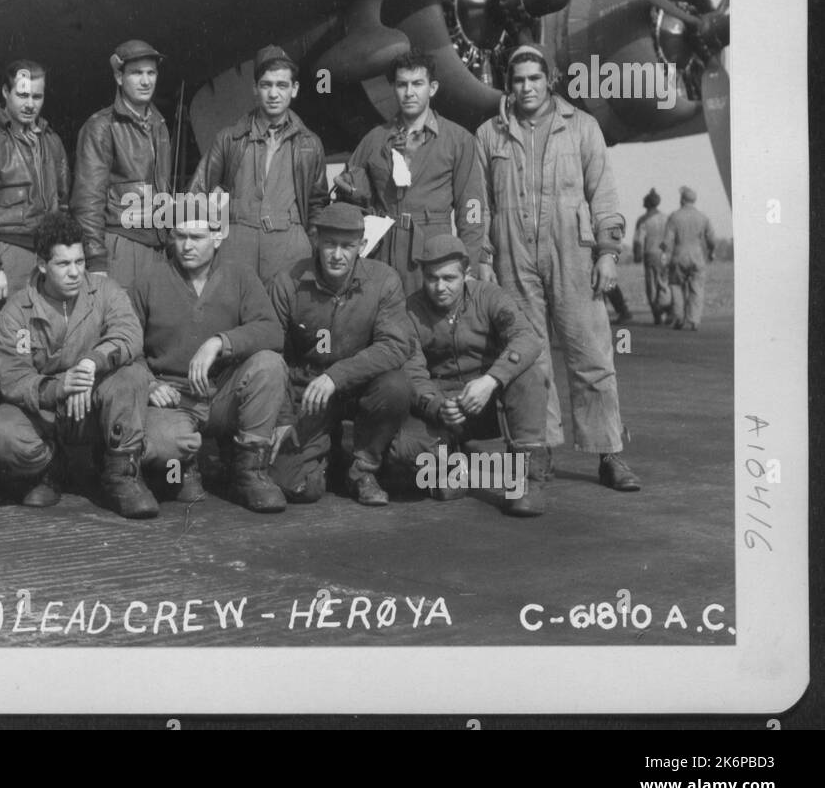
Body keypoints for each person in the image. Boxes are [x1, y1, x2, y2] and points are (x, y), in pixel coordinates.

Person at [473, 44, 641, 493]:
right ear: (508, 85)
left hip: (574, 253)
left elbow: (603, 193)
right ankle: (536, 449)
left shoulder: (583, 127)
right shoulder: (489, 134)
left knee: (592, 354)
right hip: (512, 255)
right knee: (529, 356)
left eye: (534, 78)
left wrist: (608, 252)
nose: (526, 87)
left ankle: (610, 454)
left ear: (550, 80)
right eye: (518, 80)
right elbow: (480, 207)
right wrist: (484, 260)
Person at [0, 212, 158, 519]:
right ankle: (50, 468)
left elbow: (129, 335)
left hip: (95, 406)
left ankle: (122, 473)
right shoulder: (17, 312)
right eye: (63, 264)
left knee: (131, 375)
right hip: (47, 413)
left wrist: (91, 365)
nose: (75, 272)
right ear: (42, 264)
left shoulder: (106, 292)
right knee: (0, 433)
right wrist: (61, 386)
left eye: (80, 262)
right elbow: (14, 377)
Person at [130, 217, 288, 512]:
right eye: (179, 236)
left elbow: (271, 330)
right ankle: (184, 466)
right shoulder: (148, 280)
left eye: (197, 237)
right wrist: (150, 382)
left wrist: (220, 342)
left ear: (217, 238)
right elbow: (127, 345)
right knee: (164, 447)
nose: (187, 246)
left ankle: (250, 471)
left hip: (223, 392)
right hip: (173, 397)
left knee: (269, 364)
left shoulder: (239, 275)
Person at [267, 202, 417, 507]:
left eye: (347, 246)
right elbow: (272, 352)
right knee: (297, 487)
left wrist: (337, 376)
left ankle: (363, 469)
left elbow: (395, 345)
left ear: (361, 245)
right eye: (329, 245)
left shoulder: (384, 280)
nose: (337, 255)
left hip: (359, 387)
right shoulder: (287, 282)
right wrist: (283, 416)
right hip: (307, 392)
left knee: (397, 387)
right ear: (316, 242)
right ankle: (328, 454)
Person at [395, 236, 550, 516]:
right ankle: (452, 463)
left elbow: (527, 339)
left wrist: (491, 381)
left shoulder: (490, 296)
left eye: (449, 278)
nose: (439, 287)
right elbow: (413, 370)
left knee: (529, 375)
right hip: (444, 408)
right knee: (402, 450)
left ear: (466, 273)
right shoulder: (409, 312)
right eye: (431, 278)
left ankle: (527, 481)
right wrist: (435, 405)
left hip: (489, 402)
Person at [335, 49, 484, 294]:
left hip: (434, 251)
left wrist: (468, 264)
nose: (410, 92)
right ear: (394, 88)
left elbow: (473, 208)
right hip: (382, 252)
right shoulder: (374, 140)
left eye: (418, 84)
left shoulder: (458, 141)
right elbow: (347, 198)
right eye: (402, 85)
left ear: (432, 88)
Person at [188, 44, 328, 282]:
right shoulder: (229, 139)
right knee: (231, 315)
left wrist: (315, 251)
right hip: (235, 246)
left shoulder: (310, 145)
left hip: (290, 251)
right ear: (255, 88)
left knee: (286, 316)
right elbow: (196, 197)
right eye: (266, 85)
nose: (273, 94)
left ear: (294, 89)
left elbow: (317, 206)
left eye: (282, 85)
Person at [0, 58, 70, 347]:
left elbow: (64, 202)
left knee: (40, 344)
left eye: (37, 96)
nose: (30, 103)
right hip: (6, 255)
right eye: (22, 95)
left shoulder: (51, 141)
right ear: (6, 93)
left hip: (45, 257)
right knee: (1, 348)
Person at [70, 39, 172, 288]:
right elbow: (87, 200)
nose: (146, 81)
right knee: (122, 326)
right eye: (137, 73)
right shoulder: (100, 127)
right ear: (119, 77)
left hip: (158, 246)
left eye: (151, 73)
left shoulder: (159, 125)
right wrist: (95, 261)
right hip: (121, 246)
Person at [663, 186, 716, 331]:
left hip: (678, 256)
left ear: (682, 200)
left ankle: (679, 318)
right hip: (697, 257)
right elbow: (711, 239)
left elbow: (667, 241)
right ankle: (693, 320)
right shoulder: (703, 217)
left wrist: (664, 253)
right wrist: (711, 251)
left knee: (676, 286)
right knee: (697, 288)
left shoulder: (674, 216)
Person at [633, 188, 673, 325]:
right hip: (665, 255)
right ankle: (668, 308)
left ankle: (657, 313)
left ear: (647, 203)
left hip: (650, 255)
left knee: (651, 285)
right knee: (664, 282)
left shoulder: (643, 220)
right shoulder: (666, 218)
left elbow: (638, 240)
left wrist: (637, 255)